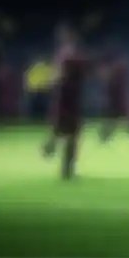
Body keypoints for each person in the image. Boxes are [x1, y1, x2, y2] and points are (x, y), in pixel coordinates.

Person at [41, 24, 91, 180]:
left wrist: (51, 81)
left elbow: (61, 74)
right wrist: (52, 80)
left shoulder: (67, 55)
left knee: (70, 134)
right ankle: (65, 168)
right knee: (71, 134)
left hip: (71, 97)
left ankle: (64, 165)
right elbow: (60, 74)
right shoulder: (67, 55)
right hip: (66, 98)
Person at [99, 47, 129, 141]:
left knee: (122, 118)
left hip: (118, 99)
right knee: (115, 119)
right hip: (117, 100)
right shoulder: (117, 70)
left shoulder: (116, 70)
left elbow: (122, 86)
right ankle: (104, 136)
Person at [25, 55, 55, 124]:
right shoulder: (39, 68)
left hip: (40, 91)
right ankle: (37, 121)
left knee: (40, 108)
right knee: (38, 108)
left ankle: (37, 121)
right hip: (40, 91)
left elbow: (29, 79)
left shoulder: (35, 68)